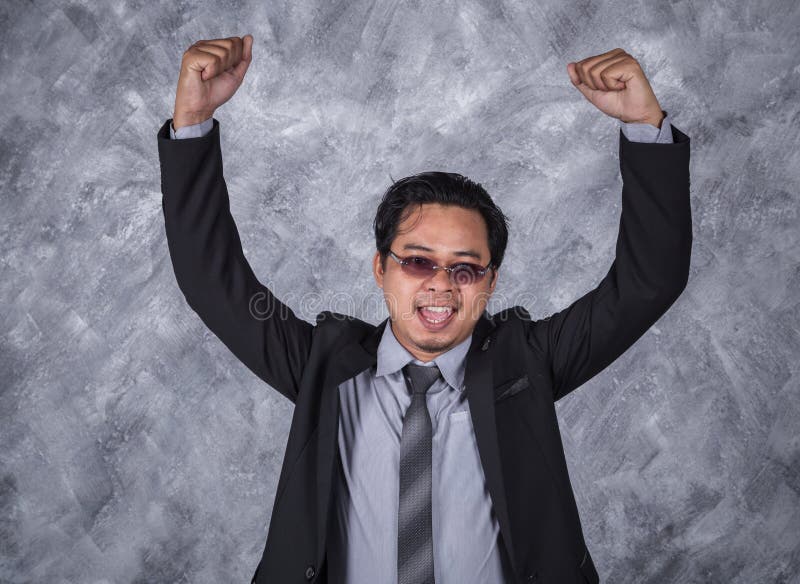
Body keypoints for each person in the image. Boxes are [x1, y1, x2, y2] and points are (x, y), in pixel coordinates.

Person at [157, 35, 690, 584]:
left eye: (465, 268)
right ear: (380, 269)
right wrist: (194, 122)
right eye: (417, 262)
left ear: (491, 281)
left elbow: (648, 281)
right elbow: (212, 280)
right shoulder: (322, 363)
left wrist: (645, 129)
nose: (441, 285)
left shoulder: (527, 361)